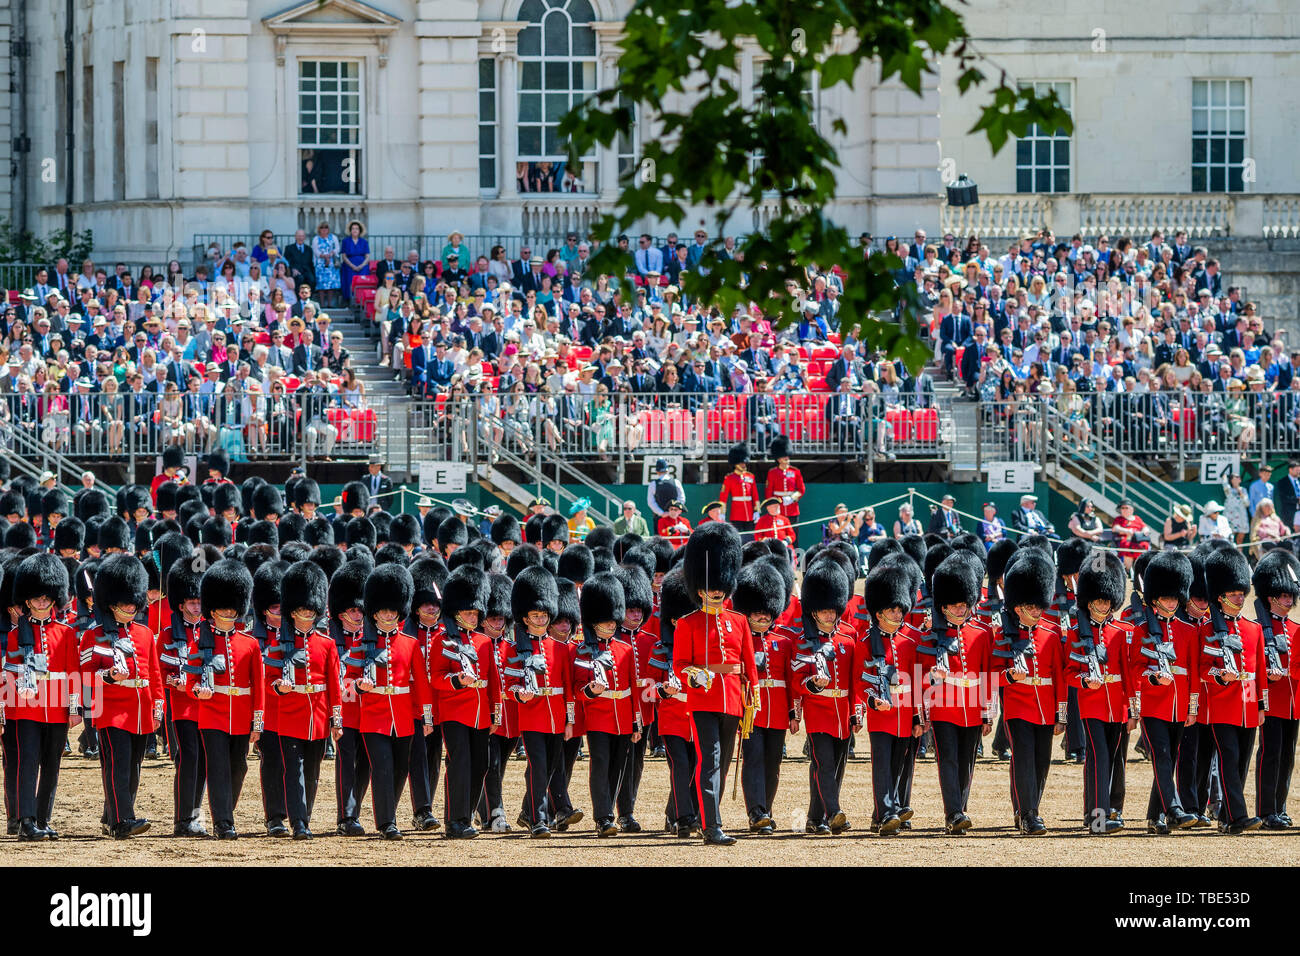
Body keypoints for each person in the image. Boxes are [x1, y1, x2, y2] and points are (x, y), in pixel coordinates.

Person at [672, 523, 757, 845]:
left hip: (733, 698)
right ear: (699, 588)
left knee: (720, 766)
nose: (716, 591)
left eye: (720, 586)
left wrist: (753, 696)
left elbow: (748, 664)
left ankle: (707, 817)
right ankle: (712, 827)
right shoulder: (687, 624)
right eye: (709, 587)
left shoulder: (738, 622)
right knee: (709, 762)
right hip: (703, 699)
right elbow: (679, 665)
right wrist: (694, 674)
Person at [344, 564, 433, 840]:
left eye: (392, 611)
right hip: (373, 717)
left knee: (400, 769)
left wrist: (426, 717)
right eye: (384, 611)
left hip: (405, 718)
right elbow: (347, 683)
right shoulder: (361, 643)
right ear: (375, 612)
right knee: (381, 767)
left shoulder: (409, 643)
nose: (388, 615)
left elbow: (421, 685)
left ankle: (389, 814)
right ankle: (386, 823)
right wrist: (360, 685)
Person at [78, 554, 164, 839]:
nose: (130, 607)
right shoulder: (94, 636)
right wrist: (108, 676)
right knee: (118, 766)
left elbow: (153, 675)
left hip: (140, 710)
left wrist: (157, 707)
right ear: (111, 603)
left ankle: (109, 816)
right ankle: (122, 821)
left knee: (134, 768)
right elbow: (84, 678)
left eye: (132, 602)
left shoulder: (145, 633)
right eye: (124, 602)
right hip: (111, 709)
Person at [184, 560, 263, 841]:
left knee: (238, 766)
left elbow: (259, 687)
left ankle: (225, 812)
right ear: (212, 611)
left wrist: (258, 721)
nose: (228, 613)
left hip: (241, 715)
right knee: (217, 767)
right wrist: (198, 693)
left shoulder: (250, 644)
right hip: (212, 714)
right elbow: (190, 683)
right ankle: (223, 822)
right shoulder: (198, 643)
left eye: (232, 608)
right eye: (222, 609)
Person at [4, 554, 78, 840]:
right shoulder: (14, 635)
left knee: (51, 764)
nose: (42, 601)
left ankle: (43, 818)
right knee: (27, 763)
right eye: (36, 597)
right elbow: (7, 673)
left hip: (57, 708)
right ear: (27, 599)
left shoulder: (66, 633)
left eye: (47, 596)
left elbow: (74, 673)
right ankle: (25, 820)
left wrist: (75, 708)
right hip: (25, 710)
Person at [996, 549, 1066, 835]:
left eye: (1038, 605)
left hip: (1046, 707)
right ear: (1016, 606)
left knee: (1041, 761)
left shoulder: (1050, 633)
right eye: (1030, 606)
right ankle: (1029, 814)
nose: (1036, 611)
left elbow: (1060, 677)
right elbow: (992, 673)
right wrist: (1010, 676)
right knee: (1023, 758)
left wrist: (1062, 714)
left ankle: (1029, 807)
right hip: (1018, 706)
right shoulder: (1002, 633)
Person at [1199, 546, 1265, 832]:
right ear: (1222, 596)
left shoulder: (1254, 629)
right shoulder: (1207, 629)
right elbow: (1202, 668)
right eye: (1235, 593)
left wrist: (1261, 706)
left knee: (1241, 764)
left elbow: (1259, 672)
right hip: (1221, 703)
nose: (1240, 597)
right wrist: (1220, 676)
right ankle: (1238, 816)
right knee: (1229, 759)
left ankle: (1227, 818)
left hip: (1249, 705)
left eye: (1242, 592)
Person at [1067, 551, 1133, 833]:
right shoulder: (1075, 633)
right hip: (1092, 703)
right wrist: (1084, 682)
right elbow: (1069, 672)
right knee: (1098, 758)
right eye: (1098, 600)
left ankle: (1105, 810)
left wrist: (1132, 708)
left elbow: (1128, 674)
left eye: (1107, 600)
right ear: (1088, 601)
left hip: (1117, 704)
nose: (1103, 605)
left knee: (1115, 758)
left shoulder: (1120, 631)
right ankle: (1097, 817)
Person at [792, 559, 860, 835]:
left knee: (833, 768)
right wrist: (813, 685)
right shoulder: (802, 641)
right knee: (824, 763)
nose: (830, 615)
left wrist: (856, 711)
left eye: (833, 610)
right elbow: (797, 681)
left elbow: (855, 681)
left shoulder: (848, 638)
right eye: (824, 610)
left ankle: (814, 818)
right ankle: (834, 812)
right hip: (818, 710)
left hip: (843, 711)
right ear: (813, 611)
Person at [859, 555, 925, 834]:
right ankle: (887, 813)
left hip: (905, 712)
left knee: (898, 765)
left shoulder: (910, 641)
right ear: (878, 613)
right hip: (881, 715)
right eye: (892, 610)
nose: (898, 615)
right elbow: (859, 681)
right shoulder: (865, 642)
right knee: (882, 766)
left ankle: (883, 813)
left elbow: (919, 683)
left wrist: (918, 717)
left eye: (900, 610)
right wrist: (871, 701)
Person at [432, 566, 499, 839]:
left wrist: (496, 714)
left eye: (475, 612)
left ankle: (466, 814)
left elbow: (494, 682)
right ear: (457, 612)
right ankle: (454, 820)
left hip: (481, 713)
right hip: (454, 710)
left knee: (480, 765)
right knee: (459, 764)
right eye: (468, 612)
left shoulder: (484, 641)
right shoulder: (442, 640)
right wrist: (456, 681)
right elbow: (435, 677)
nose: (473, 616)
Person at [573, 572, 641, 836]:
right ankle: (602, 816)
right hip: (598, 715)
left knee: (618, 766)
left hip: (623, 716)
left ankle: (611, 812)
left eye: (613, 620)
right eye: (605, 620)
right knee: (600, 763)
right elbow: (578, 687)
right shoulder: (583, 650)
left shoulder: (625, 649)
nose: (611, 625)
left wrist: (636, 721)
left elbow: (633, 688)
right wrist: (591, 690)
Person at [734, 561, 796, 836]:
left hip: (779, 709)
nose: (763, 618)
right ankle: (756, 811)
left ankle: (766, 810)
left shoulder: (784, 639)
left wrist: (794, 713)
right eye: (757, 613)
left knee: (773, 762)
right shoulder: (739, 638)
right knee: (754, 759)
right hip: (750, 709)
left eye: (766, 613)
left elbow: (791, 679)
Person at [157, 549, 210, 837]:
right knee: (188, 759)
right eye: (191, 601)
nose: (196, 606)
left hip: (208, 706)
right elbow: (158, 672)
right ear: (181, 604)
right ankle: (182, 819)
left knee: (202, 762)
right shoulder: (167, 635)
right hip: (181, 706)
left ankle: (194, 816)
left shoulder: (211, 632)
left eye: (200, 601)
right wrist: (172, 682)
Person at [1251, 549, 1298, 830]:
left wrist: (1288, 673)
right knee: (1270, 755)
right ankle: (1266, 809)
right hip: (1271, 702)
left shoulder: (1295, 627)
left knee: (1288, 757)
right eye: (1284, 596)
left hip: (1293, 703)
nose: (1289, 600)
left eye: (1291, 596)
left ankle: (1279, 807)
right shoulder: (1259, 627)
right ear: (1271, 598)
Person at [763, 435, 805, 524]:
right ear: (778, 459)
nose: (786, 457)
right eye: (783, 456)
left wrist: (792, 498)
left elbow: (801, 489)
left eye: (787, 455)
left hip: (792, 508)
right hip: (778, 508)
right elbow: (769, 492)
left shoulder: (795, 471)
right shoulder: (772, 472)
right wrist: (773, 506)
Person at [719, 443, 757, 537]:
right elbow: (723, 497)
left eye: (744, 462)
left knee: (750, 537)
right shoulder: (729, 478)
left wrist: (756, 510)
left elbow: (755, 495)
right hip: (736, 513)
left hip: (750, 513)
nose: (743, 464)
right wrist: (722, 512)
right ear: (735, 464)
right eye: (741, 463)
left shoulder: (750, 476)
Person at [1111, 500, 1151, 567]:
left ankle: (1140, 567)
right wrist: (1127, 531)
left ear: (1132, 509)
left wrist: (1144, 531)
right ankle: (1128, 569)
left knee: (1145, 545)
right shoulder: (1119, 519)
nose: (1124, 509)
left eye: (1126, 508)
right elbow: (1115, 528)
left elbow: (1145, 527)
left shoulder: (1137, 518)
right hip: (1125, 539)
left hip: (1138, 540)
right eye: (1122, 508)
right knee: (1127, 545)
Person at [1222, 472, 1251, 544]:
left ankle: (1239, 553)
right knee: (1230, 537)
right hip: (1231, 517)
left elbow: (1247, 503)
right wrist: (1224, 478)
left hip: (1241, 517)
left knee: (1240, 539)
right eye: (1233, 478)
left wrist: (1241, 494)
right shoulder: (1229, 490)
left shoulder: (1243, 490)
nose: (1236, 480)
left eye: (1238, 478)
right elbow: (1225, 486)